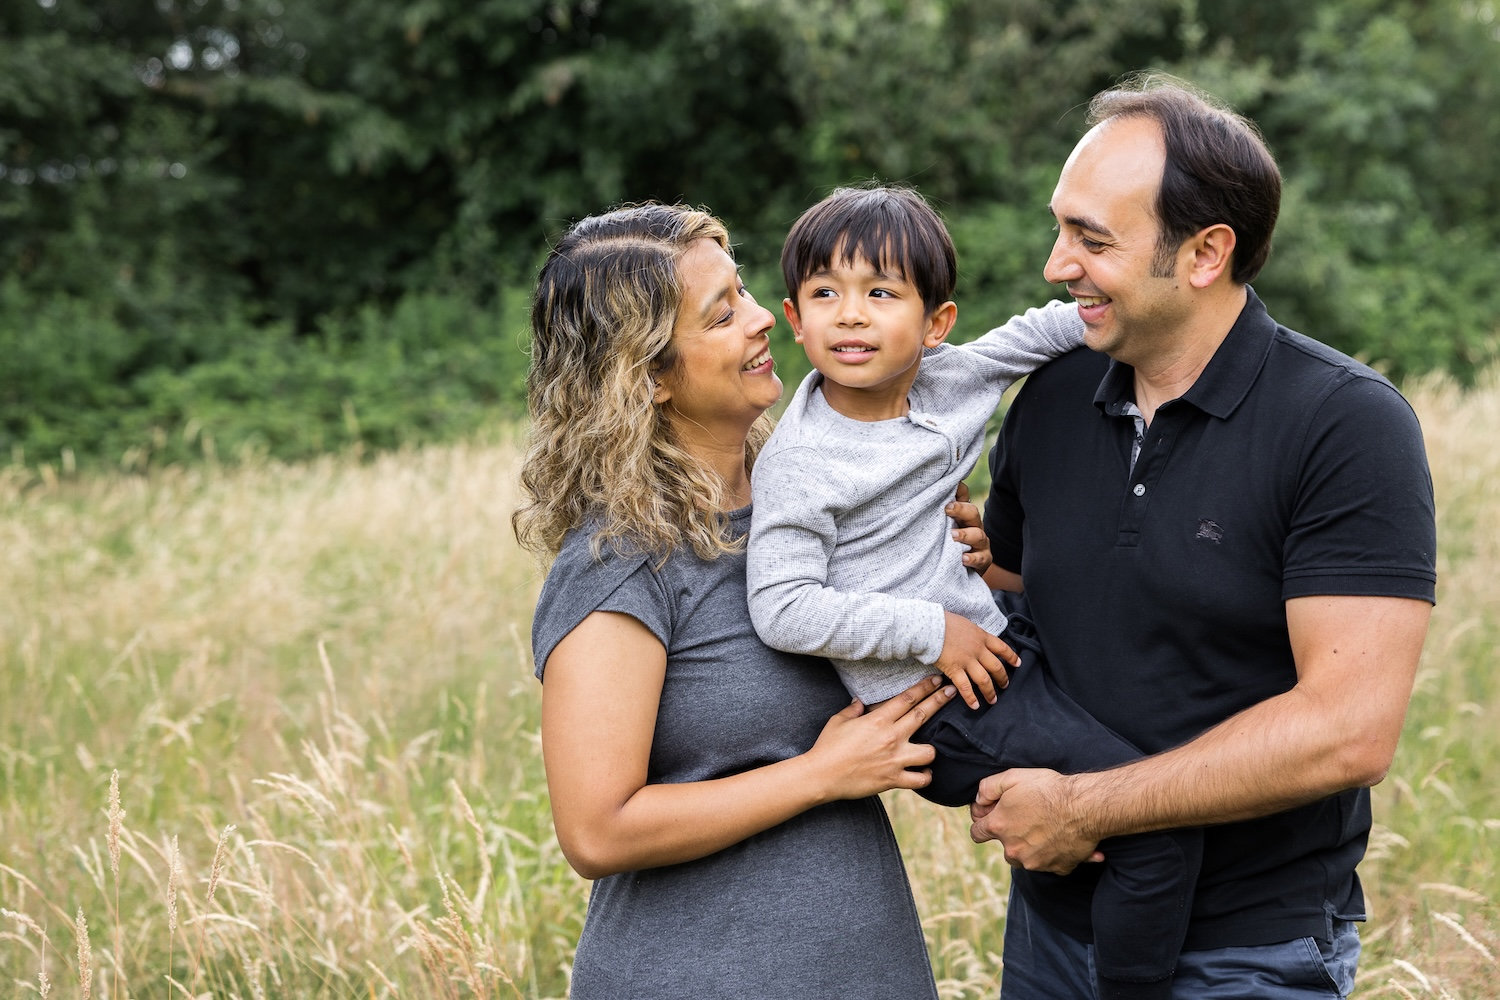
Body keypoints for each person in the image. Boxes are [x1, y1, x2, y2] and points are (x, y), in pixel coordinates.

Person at [974, 75, 1437, 998]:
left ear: (1204, 253)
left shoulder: (1346, 425)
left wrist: (1084, 806)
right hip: (1053, 929)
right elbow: (1017, 601)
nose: (1054, 265)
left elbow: (1347, 731)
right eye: (1061, 228)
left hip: (1248, 951)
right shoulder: (1053, 398)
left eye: (1092, 240)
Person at [746, 183, 1201, 1000]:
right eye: (826, 294)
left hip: (996, 652)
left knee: (1135, 754)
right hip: (939, 702)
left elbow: (1050, 328)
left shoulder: (952, 380)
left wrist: (1179, 308)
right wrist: (933, 630)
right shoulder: (801, 460)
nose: (851, 315)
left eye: (880, 293)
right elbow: (781, 606)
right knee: (1153, 825)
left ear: (936, 324)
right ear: (793, 317)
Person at [514, 202, 977, 999]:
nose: (767, 317)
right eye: (724, 313)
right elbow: (596, 829)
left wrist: (981, 553)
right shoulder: (621, 561)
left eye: (747, 291)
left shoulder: (799, 508)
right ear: (650, 377)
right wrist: (820, 774)